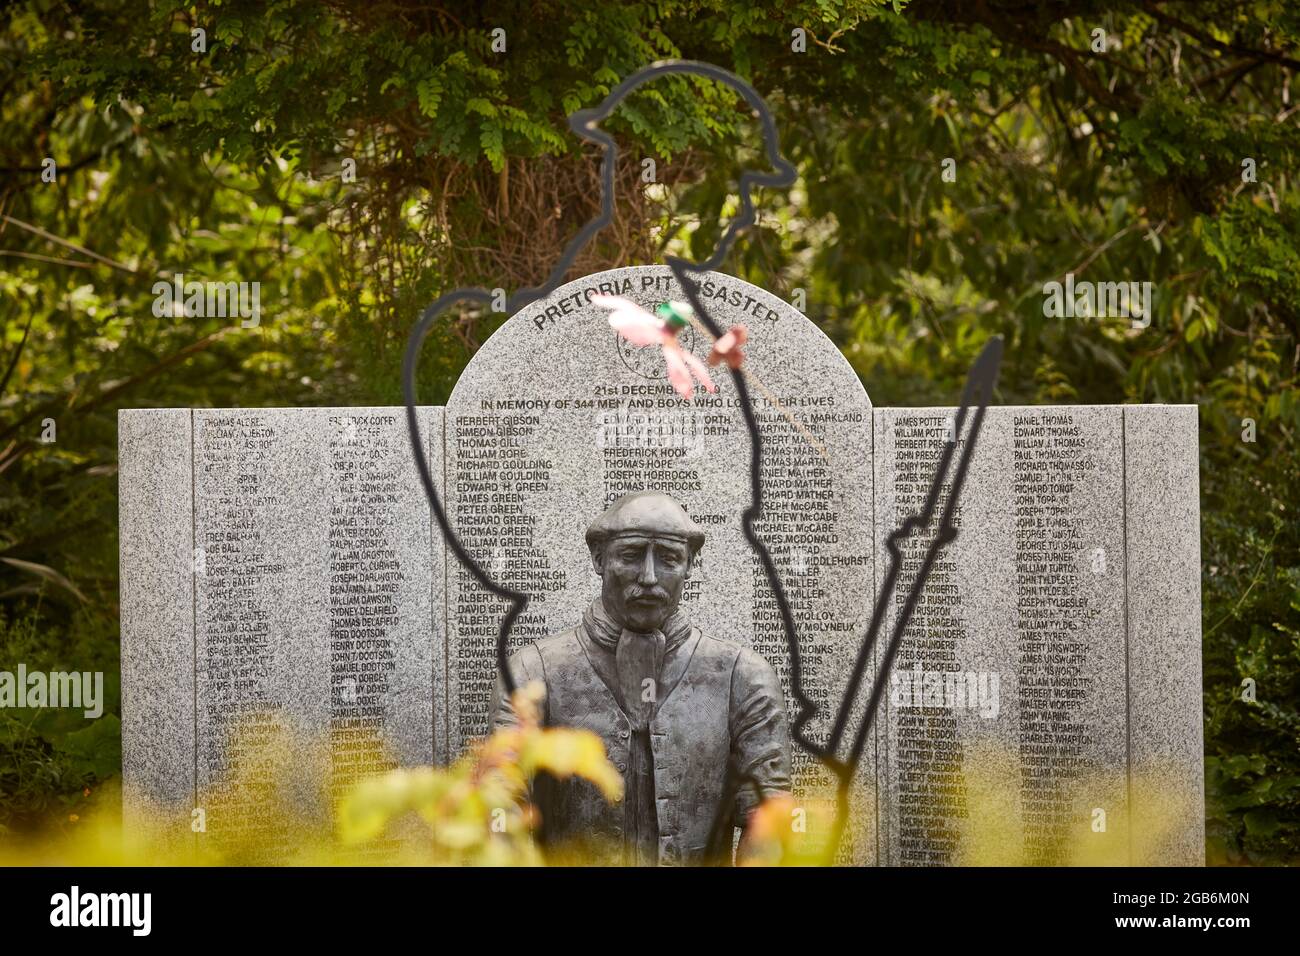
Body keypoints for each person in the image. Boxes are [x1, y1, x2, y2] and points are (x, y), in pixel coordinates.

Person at [491, 490, 792, 866]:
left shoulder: (742, 677)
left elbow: (771, 824)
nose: (649, 577)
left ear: (689, 564)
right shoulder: (533, 672)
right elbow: (498, 814)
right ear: (600, 558)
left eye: (668, 559)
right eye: (631, 556)